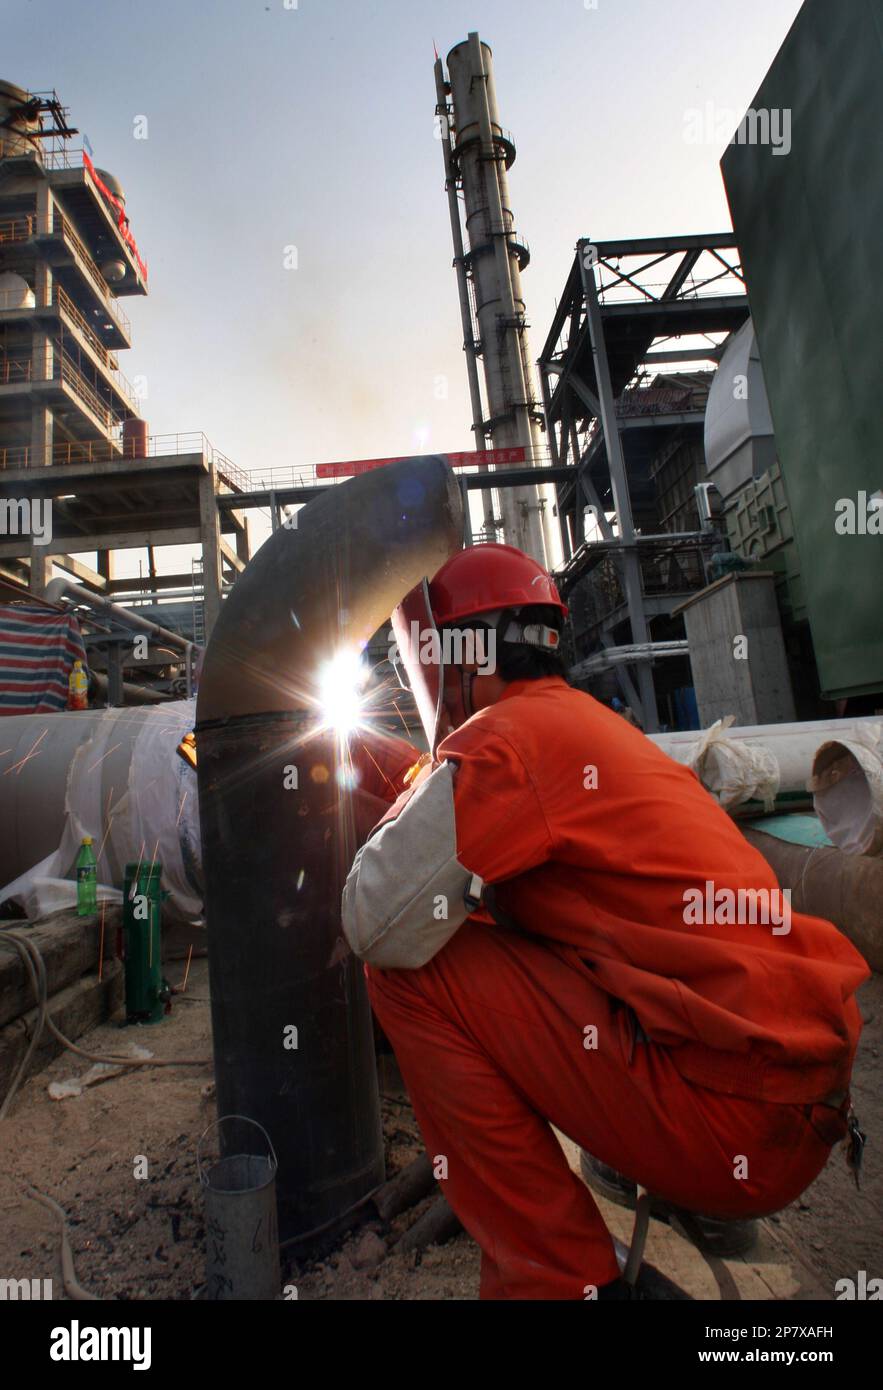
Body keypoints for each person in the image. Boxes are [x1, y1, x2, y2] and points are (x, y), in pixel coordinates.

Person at [342, 542, 869, 1300]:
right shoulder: (581, 727)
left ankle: (557, 1282)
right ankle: (662, 1188)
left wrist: (390, 803)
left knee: (410, 971)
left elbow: (373, 917)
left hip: (732, 1122)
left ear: (456, 654)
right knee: (492, 928)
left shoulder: (504, 743)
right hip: (792, 1103)